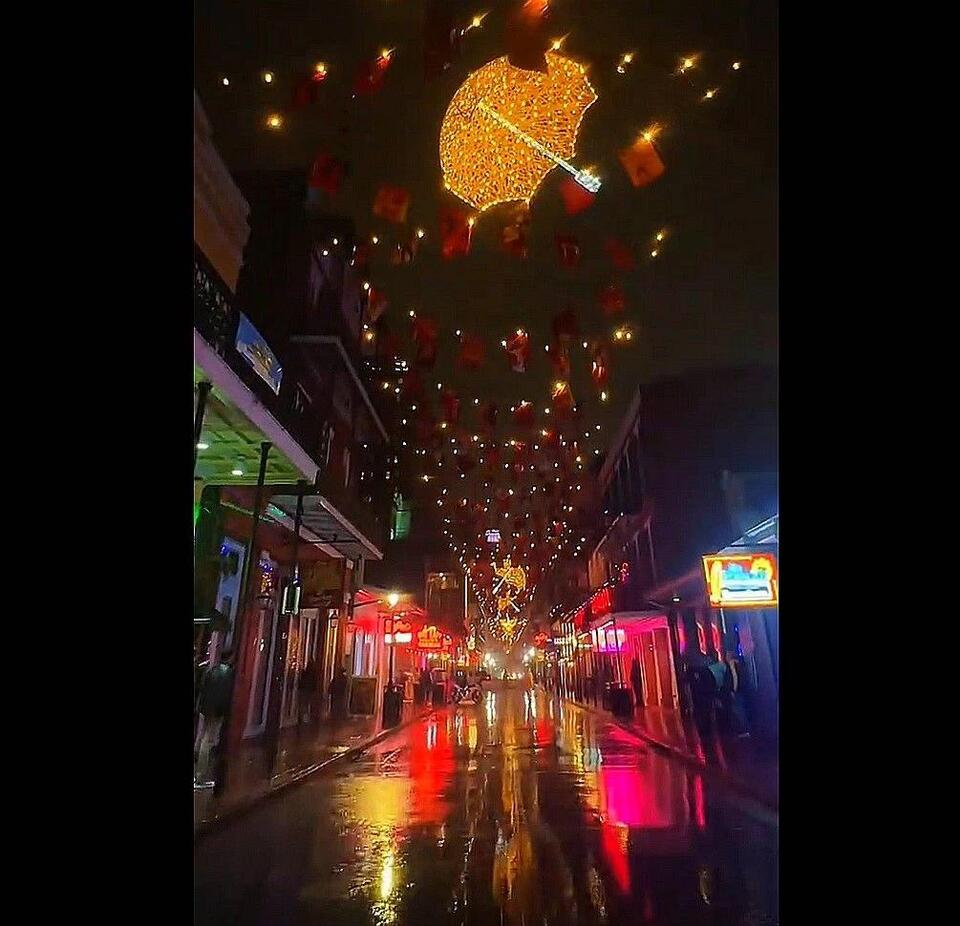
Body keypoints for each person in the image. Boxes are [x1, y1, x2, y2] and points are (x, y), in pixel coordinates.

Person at [195, 652, 234, 783]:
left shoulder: (212, 670)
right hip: (217, 710)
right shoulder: (228, 674)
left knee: (202, 736)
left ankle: (198, 766)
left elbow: (204, 688)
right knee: (209, 739)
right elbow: (225, 695)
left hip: (206, 708)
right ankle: (201, 774)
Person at [298, 655, 319, 726]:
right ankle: (305, 718)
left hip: (304, 690)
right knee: (306, 704)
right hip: (309, 691)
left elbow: (302, 680)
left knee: (303, 704)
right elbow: (314, 683)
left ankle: (302, 717)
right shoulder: (313, 674)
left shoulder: (305, 673)